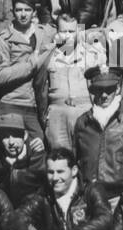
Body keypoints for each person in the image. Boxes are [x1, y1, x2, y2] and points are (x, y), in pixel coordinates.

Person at [73, 67, 123, 201]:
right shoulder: (82, 123)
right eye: (99, 89)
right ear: (92, 91)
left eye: (109, 89)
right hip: (90, 198)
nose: (104, 95)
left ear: (117, 89)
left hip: (122, 198)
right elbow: (76, 161)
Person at [0, 0, 55, 134]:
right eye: (19, 10)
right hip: (12, 103)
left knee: (40, 147)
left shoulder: (45, 33)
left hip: (37, 106)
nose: (23, 14)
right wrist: (32, 64)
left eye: (28, 10)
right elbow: (0, 75)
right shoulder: (3, 38)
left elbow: (69, 38)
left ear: (34, 12)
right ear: (12, 11)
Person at [45, 14, 106, 151]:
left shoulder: (90, 53)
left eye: (71, 32)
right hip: (57, 115)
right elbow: (40, 86)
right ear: (57, 32)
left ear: (78, 31)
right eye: (63, 31)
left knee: (86, 155)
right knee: (59, 157)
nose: (67, 36)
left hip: (83, 111)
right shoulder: (49, 55)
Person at [0, 112, 48, 204]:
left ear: (25, 136)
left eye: (16, 135)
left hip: (32, 211)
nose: (11, 142)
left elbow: (43, 190)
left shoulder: (36, 156)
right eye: (6, 136)